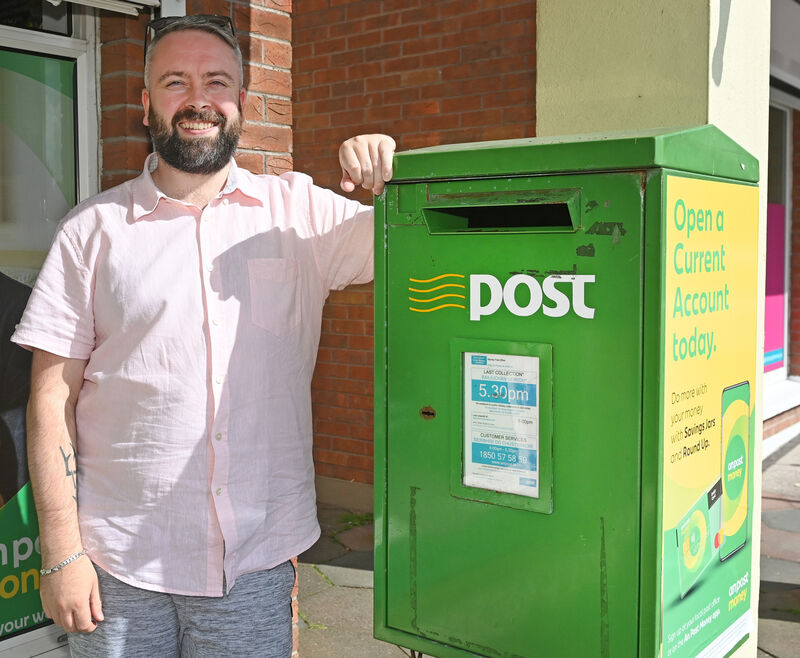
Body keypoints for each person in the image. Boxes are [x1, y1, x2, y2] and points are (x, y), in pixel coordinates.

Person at [12, 14, 395, 657]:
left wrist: (393, 177)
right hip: (117, 563)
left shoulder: (303, 214)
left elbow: (422, 242)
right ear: (145, 103)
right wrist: (59, 551)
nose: (198, 99)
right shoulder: (91, 231)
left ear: (241, 101)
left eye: (217, 81)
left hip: (255, 560)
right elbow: (52, 399)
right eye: (174, 81)